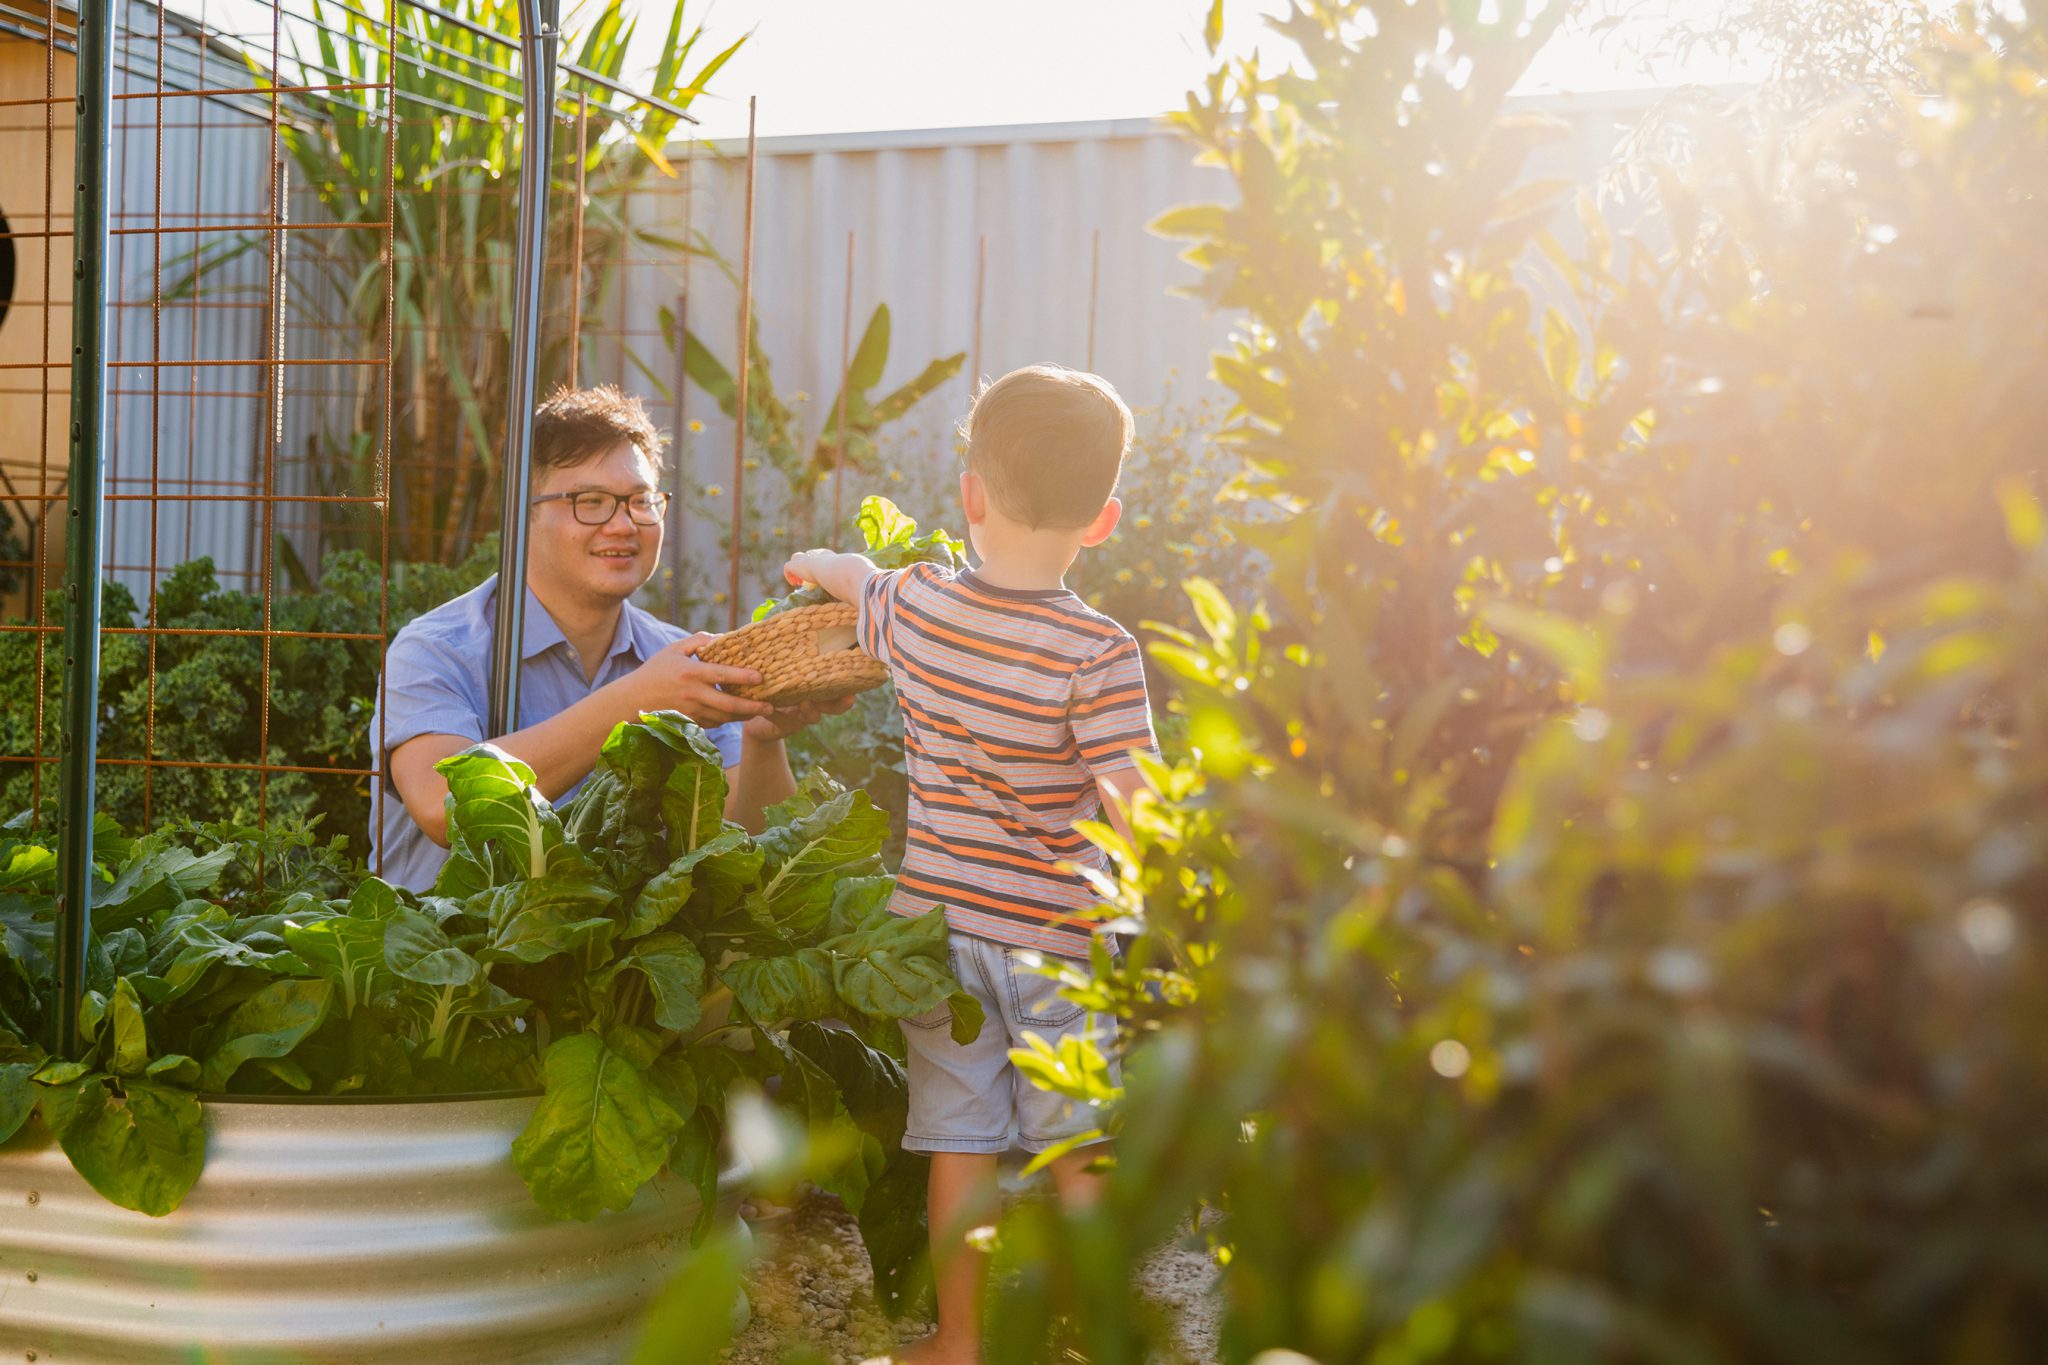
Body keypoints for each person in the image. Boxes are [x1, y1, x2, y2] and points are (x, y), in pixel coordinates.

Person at [781, 365, 1156, 1365]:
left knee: (958, 1139)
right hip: (1055, 942)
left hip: (935, 939)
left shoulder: (913, 609)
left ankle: (958, 1341)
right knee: (1079, 1145)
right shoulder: (1097, 653)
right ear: (1103, 519)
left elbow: (853, 580)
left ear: (970, 496)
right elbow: (1133, 798)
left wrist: (814, 560)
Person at [371, 384, 844, 892]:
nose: (623, 525)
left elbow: (746, 837)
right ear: (521, 512)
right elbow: (443, 808)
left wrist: (760, 739)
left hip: (615, 965)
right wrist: (638, 702)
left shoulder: (678, 659)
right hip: (449, 959)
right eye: (589, 502)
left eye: (641, 501)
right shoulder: (436, 648)